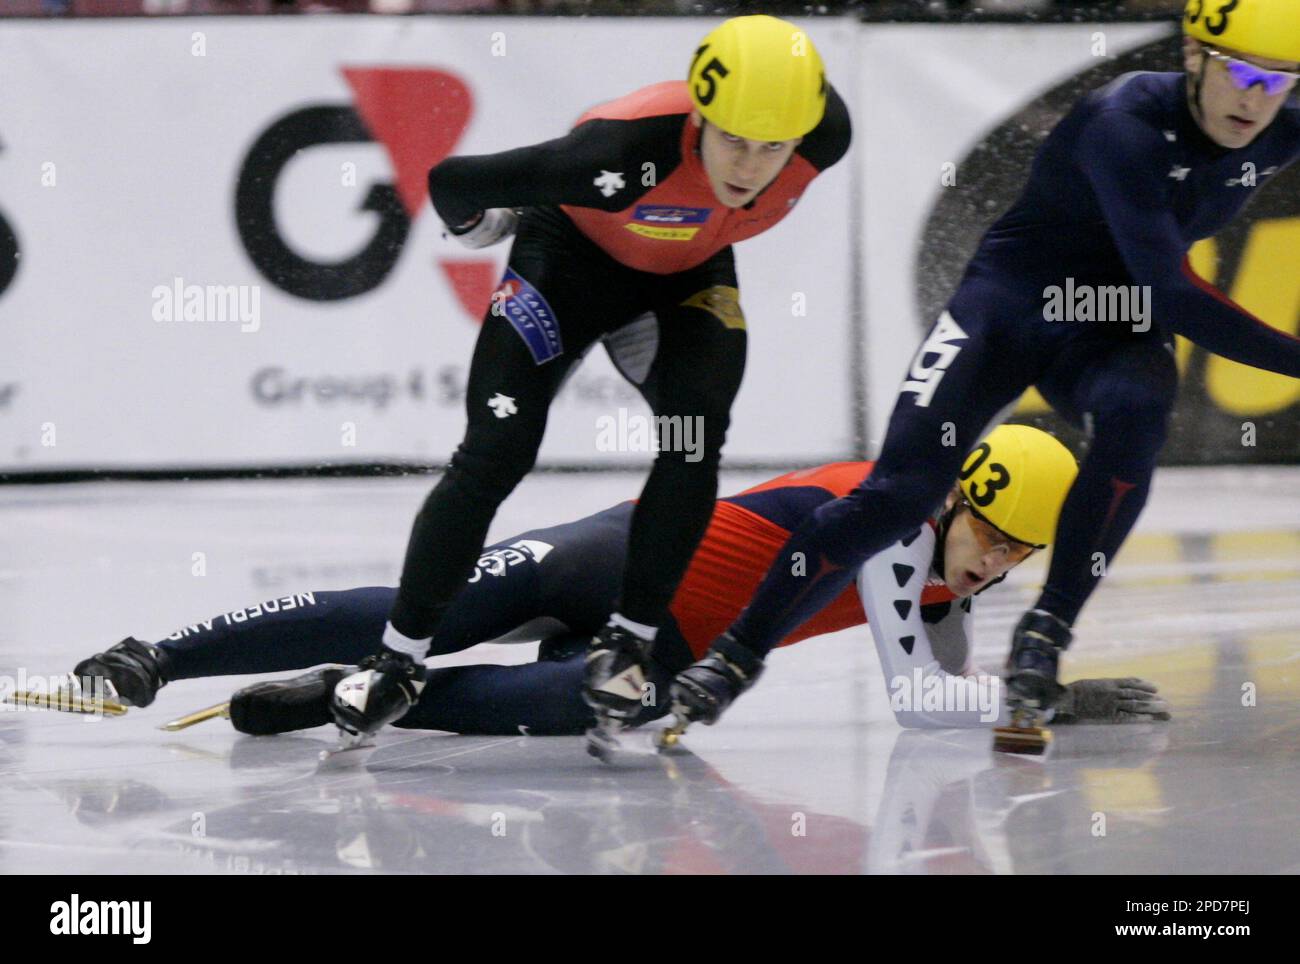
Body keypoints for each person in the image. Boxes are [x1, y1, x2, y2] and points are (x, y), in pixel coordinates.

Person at [666, 0, 1300, 732]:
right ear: (1195, 54)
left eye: (1281, 78)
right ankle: (738, 654)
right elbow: (1170, 291)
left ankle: (1045, 632)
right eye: (1243, 71)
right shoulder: (1123, 120)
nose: (1257, 96)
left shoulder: (1281, 125)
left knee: (1139, 411)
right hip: (1010, 308)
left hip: (1107, 325)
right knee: (901, 495)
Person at [329, 14, 853, 744]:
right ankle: (398, 660)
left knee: (694, 435)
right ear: (701, 115)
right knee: (494, 453)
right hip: (567, 265)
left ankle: (630, 640)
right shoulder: (618, 154)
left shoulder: (827, 133)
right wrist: (489, 226)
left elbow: (753, 169)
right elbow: (451, 182)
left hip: (686, 278)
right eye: (733, 139)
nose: (749, 167)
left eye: (773, 148)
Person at [68, 427, 1169, 736]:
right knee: (429, 611)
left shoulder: (954, 576)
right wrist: (1045, 700)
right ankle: (157, 655)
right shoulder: (891, 520)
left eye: (1023, 554)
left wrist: (1016, 699)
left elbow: (942, 685)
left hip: (659, 654)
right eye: (994, 535)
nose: (999, 562)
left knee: (580, 713)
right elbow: (923, 699)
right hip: (617, 556)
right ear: (954, 497)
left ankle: (347, 693)